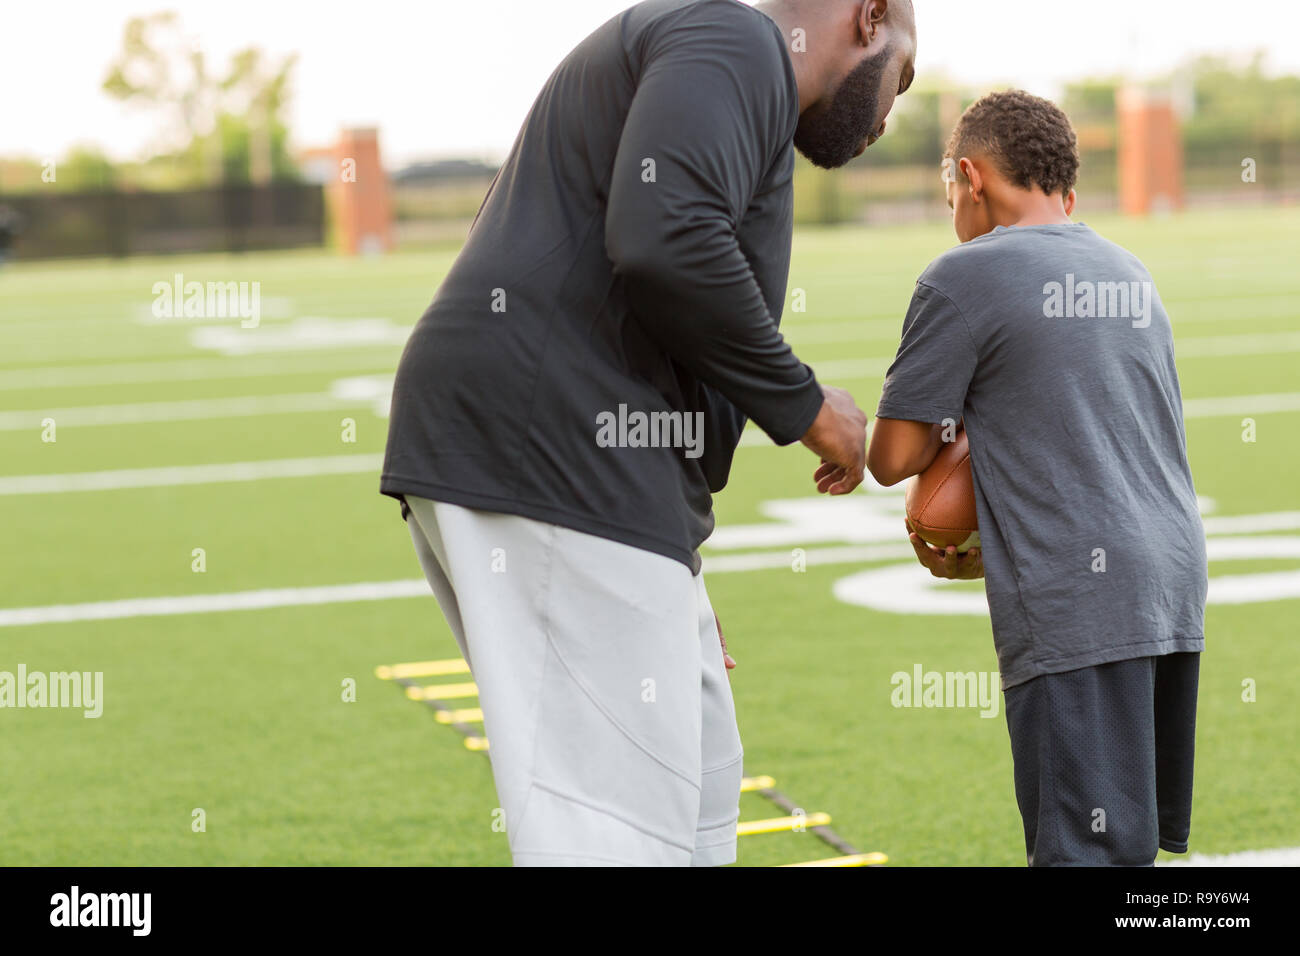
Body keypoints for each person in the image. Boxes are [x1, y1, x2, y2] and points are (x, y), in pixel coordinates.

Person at [382, 0, 916, 866]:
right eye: (906, 71)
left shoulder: (731, 82)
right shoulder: (735, 38)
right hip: (552, 443)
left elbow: (660, 308)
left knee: (698, 801)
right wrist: (810, 408)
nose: (894, 111)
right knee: (610, 835)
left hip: (582, 464)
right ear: (870, 16)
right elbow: (664, 237)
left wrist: (675, 562)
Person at [867, 90, 1208, 866]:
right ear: (1067, 187)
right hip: (1171, 579)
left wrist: (947, 434)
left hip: (1077, 595)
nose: (950, 205)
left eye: (950, 190)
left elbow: (891, 460)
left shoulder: (965, 274)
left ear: (970, 175)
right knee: (1128, 852)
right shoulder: (1129, 268)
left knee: (1082, 855)